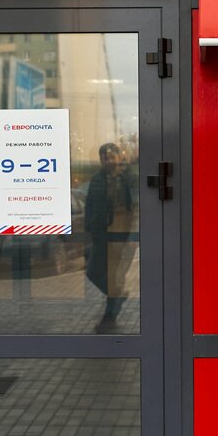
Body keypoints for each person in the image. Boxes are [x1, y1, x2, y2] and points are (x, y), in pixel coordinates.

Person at [84, 143, 136, 333]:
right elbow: (89, 205)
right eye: (104, 157)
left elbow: (136, 206)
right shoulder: (97, 180)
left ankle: (109, 318)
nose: (108, 160)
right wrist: (89, 228)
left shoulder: (128, 178)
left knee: (114, 275)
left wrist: (134, 234)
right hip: (101, 235)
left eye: (111, 156)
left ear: (119, 157)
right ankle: (116, 296)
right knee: (92, 272)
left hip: (122, 235)